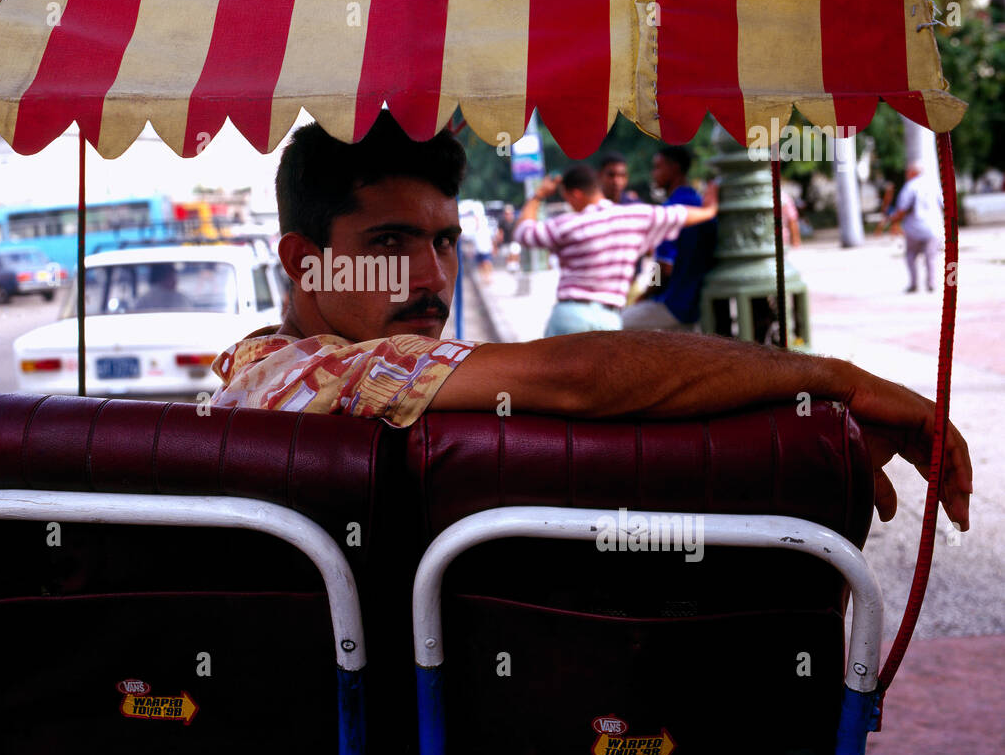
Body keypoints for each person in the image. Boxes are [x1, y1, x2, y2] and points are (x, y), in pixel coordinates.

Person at [210, 112, 972, 532]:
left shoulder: (287, 368)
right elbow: (580, 378)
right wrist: (831, 381)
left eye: (444, 241)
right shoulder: (318, 372)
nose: (433, 277)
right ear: (305, 259)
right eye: (389, 244)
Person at [513, 164, 718, 335]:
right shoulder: (636, 215)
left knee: (555, 382)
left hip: (571, 315)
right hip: (609, 320)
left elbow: (523, 232)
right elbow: (680, 215)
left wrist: (538, 195)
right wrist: (709, 211)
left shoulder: (567, 224)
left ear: (575, 194)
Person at [622, 145, 718, 332]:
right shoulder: (698, 203)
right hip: (696, 305)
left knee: (612, 326)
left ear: (674, 168)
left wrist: (647, 294)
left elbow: (663, 268)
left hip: (672, 303)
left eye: (657, 167)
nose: (653, 173)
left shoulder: (671, 211)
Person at [890, 164, 944, 293]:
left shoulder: (910, 186)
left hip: (914, 227)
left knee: (911, 255)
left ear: (913, 173)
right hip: (933, 227)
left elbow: (902, 208)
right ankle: (931, 283)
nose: (906, 174)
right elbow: (943, 204)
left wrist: (894, 219)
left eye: (908, 172)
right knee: (931, 256)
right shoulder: (933, 184)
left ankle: (914, 284)